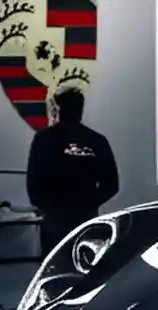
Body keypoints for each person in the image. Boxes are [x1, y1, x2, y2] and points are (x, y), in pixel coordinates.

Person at [27, 87, 120, 255]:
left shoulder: (43, 139)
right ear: (81, 110)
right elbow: (112, 184)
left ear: (59, 109)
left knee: (54, 270)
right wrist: (89, 202)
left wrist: (47, 205)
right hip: (86, 218)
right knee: (84, 268)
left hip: (54, 218)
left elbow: (33, 181)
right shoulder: (96, 141)